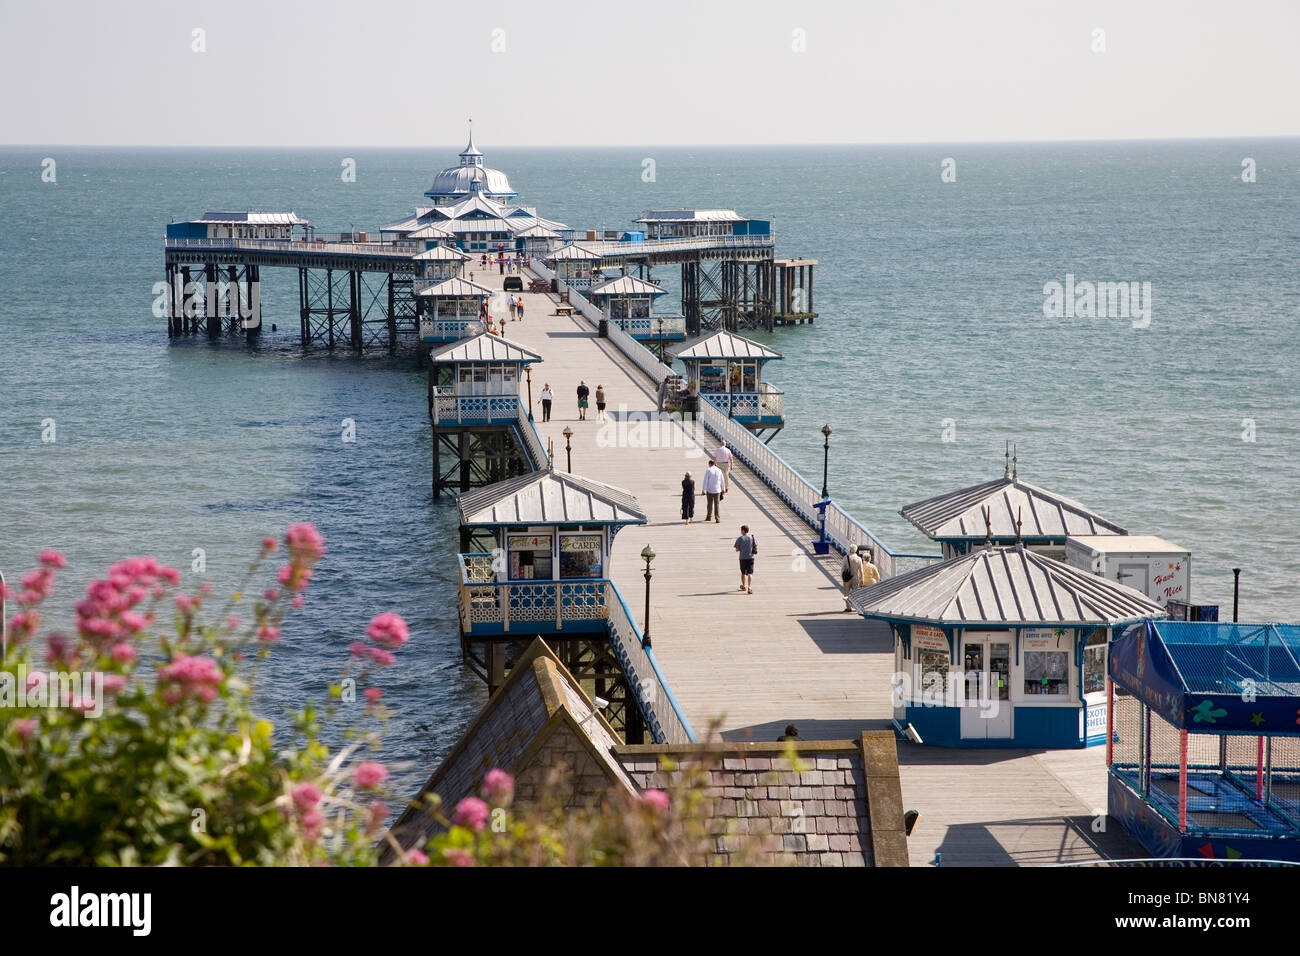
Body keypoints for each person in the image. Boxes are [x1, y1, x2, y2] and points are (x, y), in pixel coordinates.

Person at [734, 524, 757, 594]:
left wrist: (741, 548)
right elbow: (755, 545)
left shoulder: (740, 539)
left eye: (741, 530)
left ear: (743, 531)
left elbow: (737, 550)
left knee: (743, 573)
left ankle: (743, 586)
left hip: (742, 558)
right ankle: (749, 587)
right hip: (751, 557)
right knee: (750, 573)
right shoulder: (752, 537)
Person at [841, 546, 864, 612]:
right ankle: (856, 607)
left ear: (850, 550)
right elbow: (861, 570)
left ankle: (848, 607)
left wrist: (842, 577)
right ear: (856, 550)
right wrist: (862, 578)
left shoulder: (846, 557)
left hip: (847, 578)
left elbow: (843, 568)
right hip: (855, 577)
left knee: (846, 593)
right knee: (855, 593)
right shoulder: (858, 559)